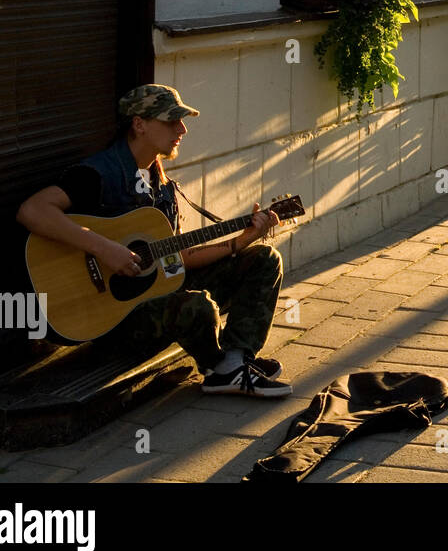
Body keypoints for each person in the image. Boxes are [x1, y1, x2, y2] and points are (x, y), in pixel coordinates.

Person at [16, 84, 292, 397]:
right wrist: (103, 248)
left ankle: (233, 360)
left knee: (265, 259)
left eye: (182, 120)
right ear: (139, 124)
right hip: (114, 319)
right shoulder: (99, 173)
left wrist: (239, 243)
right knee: (197, 306)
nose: (183, 129)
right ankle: (220, 367)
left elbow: (177, 257)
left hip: (154, 296)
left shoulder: (161, 184)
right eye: (171, 121)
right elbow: (32, 210)